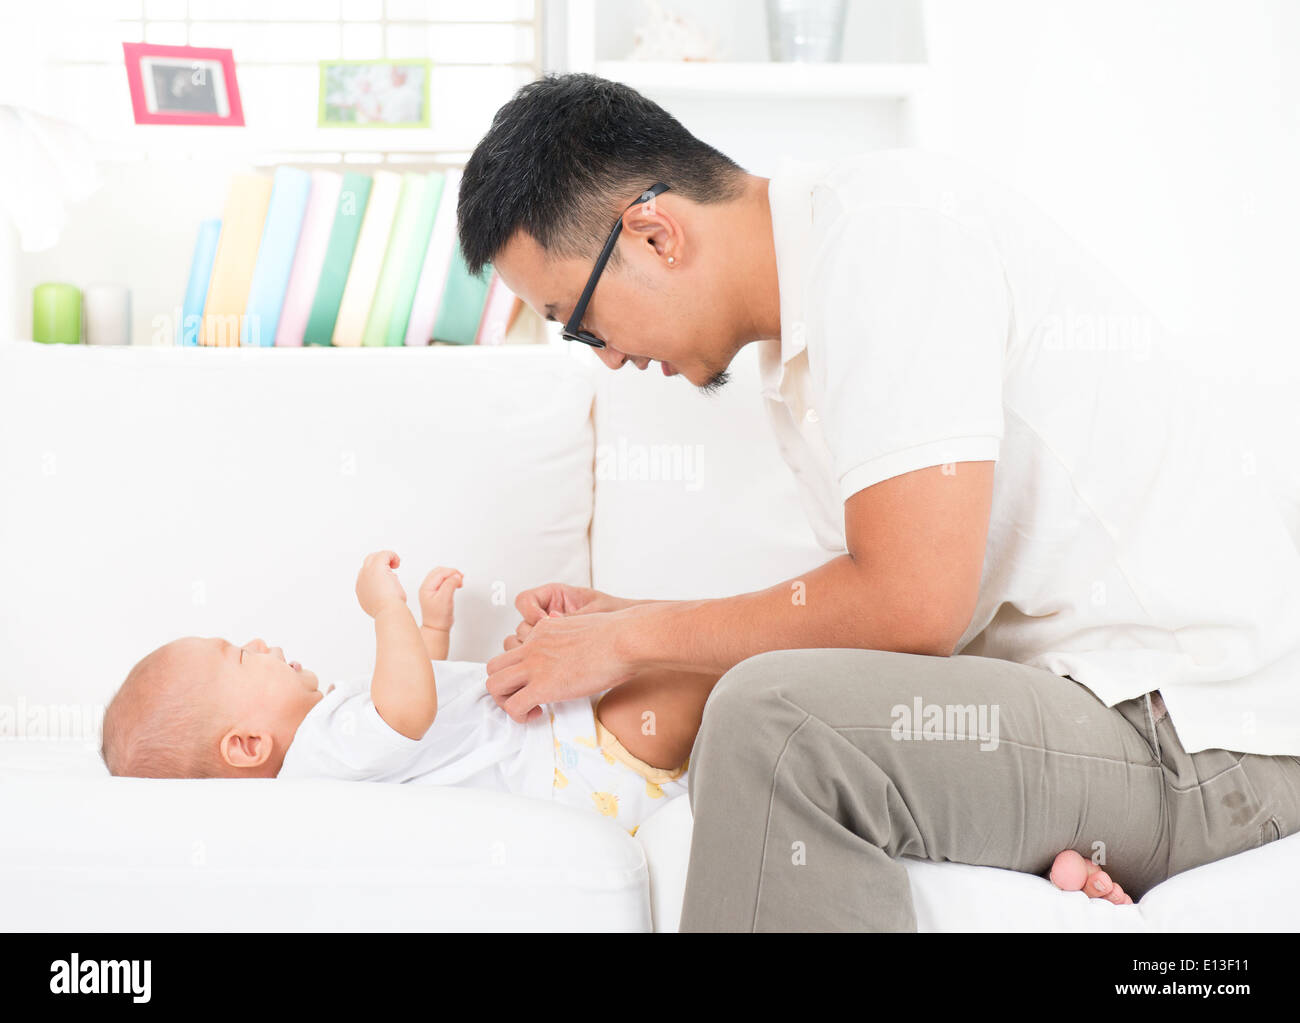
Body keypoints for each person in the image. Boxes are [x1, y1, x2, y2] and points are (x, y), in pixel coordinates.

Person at [456, 73, 1300, 930]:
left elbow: (911, 604)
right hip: (1112, 719)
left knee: (776, 727)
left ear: (653, 233)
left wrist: (628, 638)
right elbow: (899, 611)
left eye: (580, 320)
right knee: (761, 718)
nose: (602, 357)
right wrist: (630, 624)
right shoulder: (815, 324)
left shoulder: (888, 240)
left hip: (1203, 738)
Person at [100, 551, 720, 835]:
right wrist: (385, 609)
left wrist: (433, 627)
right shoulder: (318, 759)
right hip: (582, 761)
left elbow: (415, 703)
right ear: (246, 745)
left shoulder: (339, 739)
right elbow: (406, 712)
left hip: (578, 745)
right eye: (240, 655)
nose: (260, 642)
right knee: (695, 670)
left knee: (699, 676)